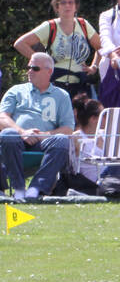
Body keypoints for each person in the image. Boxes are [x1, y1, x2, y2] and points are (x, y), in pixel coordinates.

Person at [0, 52, 74, 201]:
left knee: (62, 140)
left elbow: (68, 128)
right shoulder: (16, 91)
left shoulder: (61, 95)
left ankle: (36, 189)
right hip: (14, 141)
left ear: (49, 71)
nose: (29, 71)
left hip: (42, 142)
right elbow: (2, 117)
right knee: (8, 133)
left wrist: (43, 135)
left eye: (35, 68)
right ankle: (19, 188)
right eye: (29, 67)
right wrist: (22, 132)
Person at [14, 0, 101, 97]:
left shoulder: (83, 24)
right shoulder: (50, 26)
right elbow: (20, 44)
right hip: (54, 85)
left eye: (71, 2)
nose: (67, 6)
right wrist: (41, 62)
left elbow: (101, 47)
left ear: (76, 7)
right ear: (57, 7)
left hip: (80, 86)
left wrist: (94, 67)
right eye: (63, 3)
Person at [60, 94, 104, 195]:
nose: (107, 117)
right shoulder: (76, 138)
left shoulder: (106, 134)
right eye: (103, 115)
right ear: (93, 119)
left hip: (109, 178)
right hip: (88, 182)